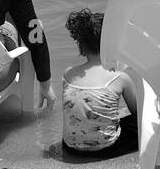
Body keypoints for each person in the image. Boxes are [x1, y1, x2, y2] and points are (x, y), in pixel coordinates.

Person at [60, 9, 140, 156]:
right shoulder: (120, 77)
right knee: (141, 120)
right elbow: (137, 112)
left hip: (70, 147)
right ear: (111, 44)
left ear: (81, 45)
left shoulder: (68, 74)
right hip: (106, 147)